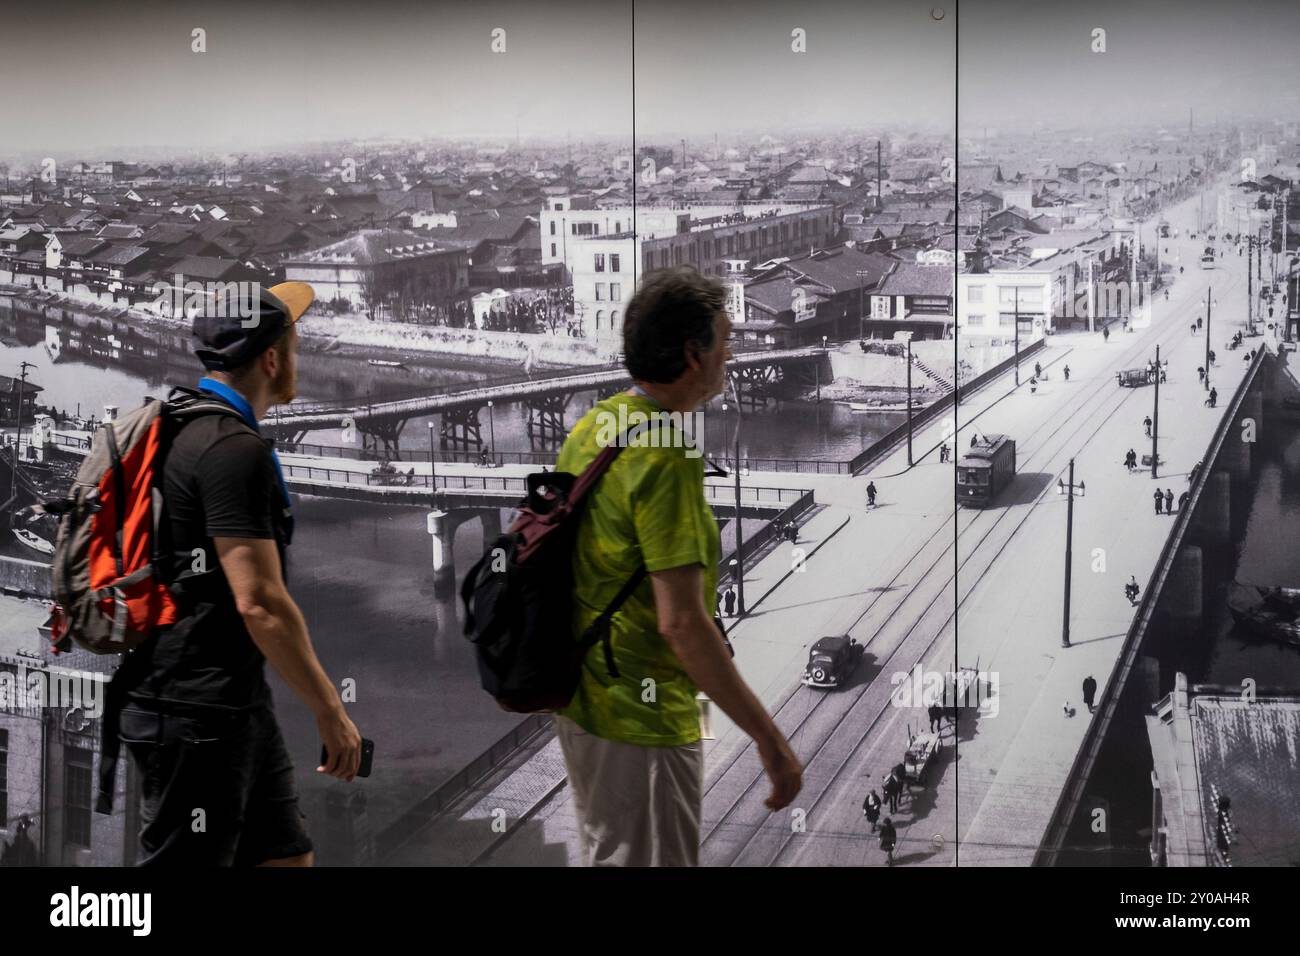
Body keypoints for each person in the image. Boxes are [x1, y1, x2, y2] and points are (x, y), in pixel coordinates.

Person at [552, 266, 801, 867]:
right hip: (646, 717)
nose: (732, 352)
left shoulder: (598, 423)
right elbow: (682, 624)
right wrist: (769, 739)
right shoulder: (668, 453)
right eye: (725, 338)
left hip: (585, 698)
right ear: (693, 354)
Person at [109, 282, 361, 867]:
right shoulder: (232, 449)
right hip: (194, 713)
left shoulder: (177, 422)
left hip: (233, 704)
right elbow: (260, 603)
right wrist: (330, 709)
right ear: (273, 358)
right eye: (296, 345)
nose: (300, 357)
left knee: (286, 858)